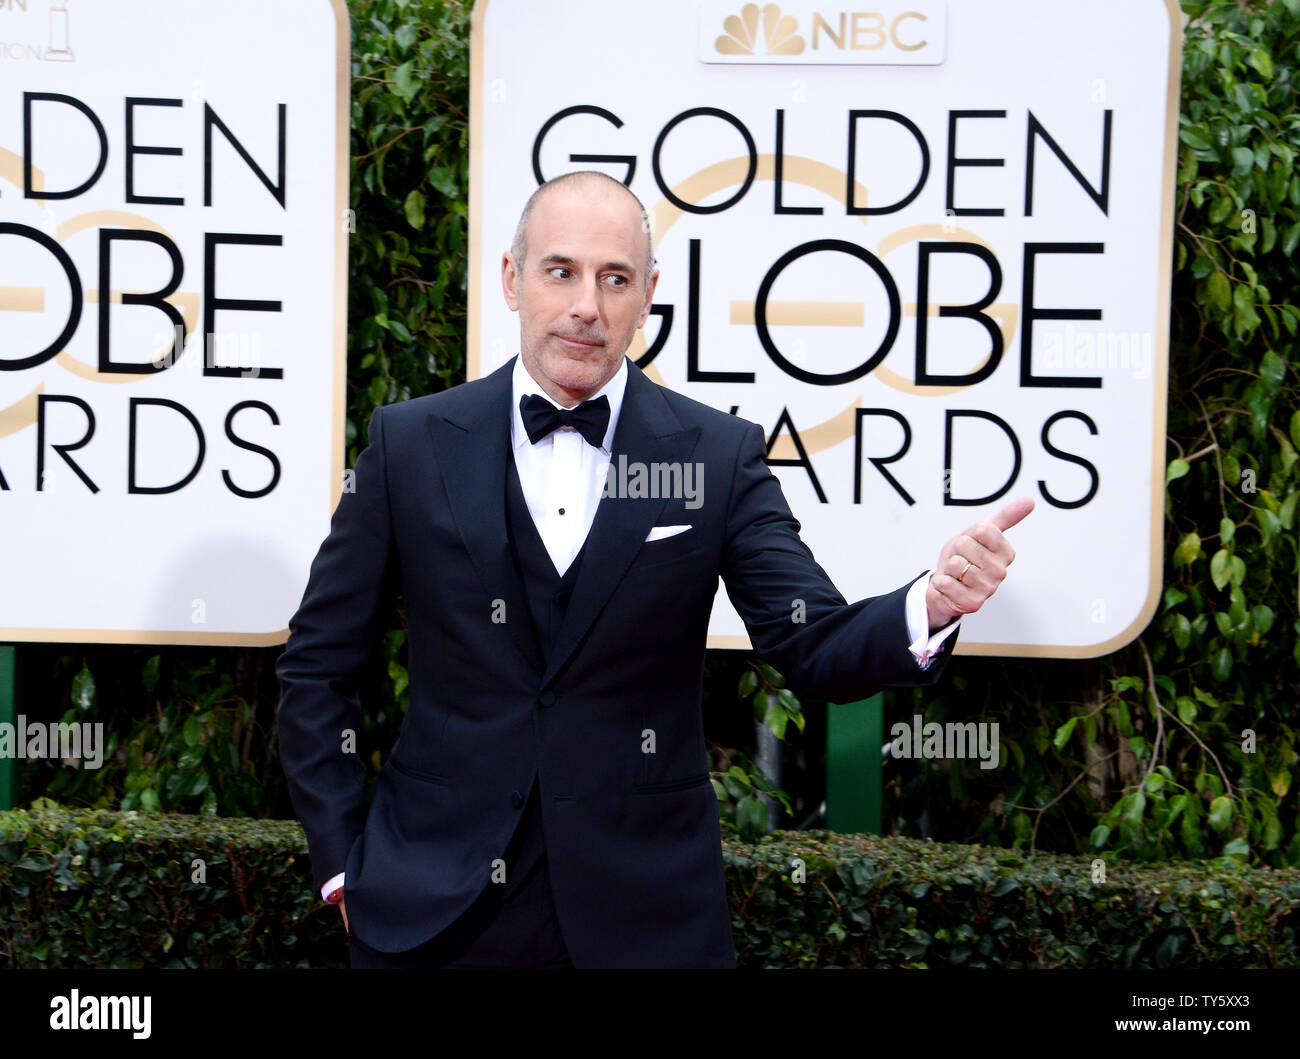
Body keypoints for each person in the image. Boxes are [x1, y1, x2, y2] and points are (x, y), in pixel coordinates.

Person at [275, 170, 1033, 969]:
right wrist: (340, 864)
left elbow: (811, 640)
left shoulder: (717, 454)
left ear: (648, 295)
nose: (585, 307)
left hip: (646, 921)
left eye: (615, 279)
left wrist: (930, 603)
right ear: (510, 278)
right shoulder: (411, 443)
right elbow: (319, 665)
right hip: (433, 913)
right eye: (560, 271)